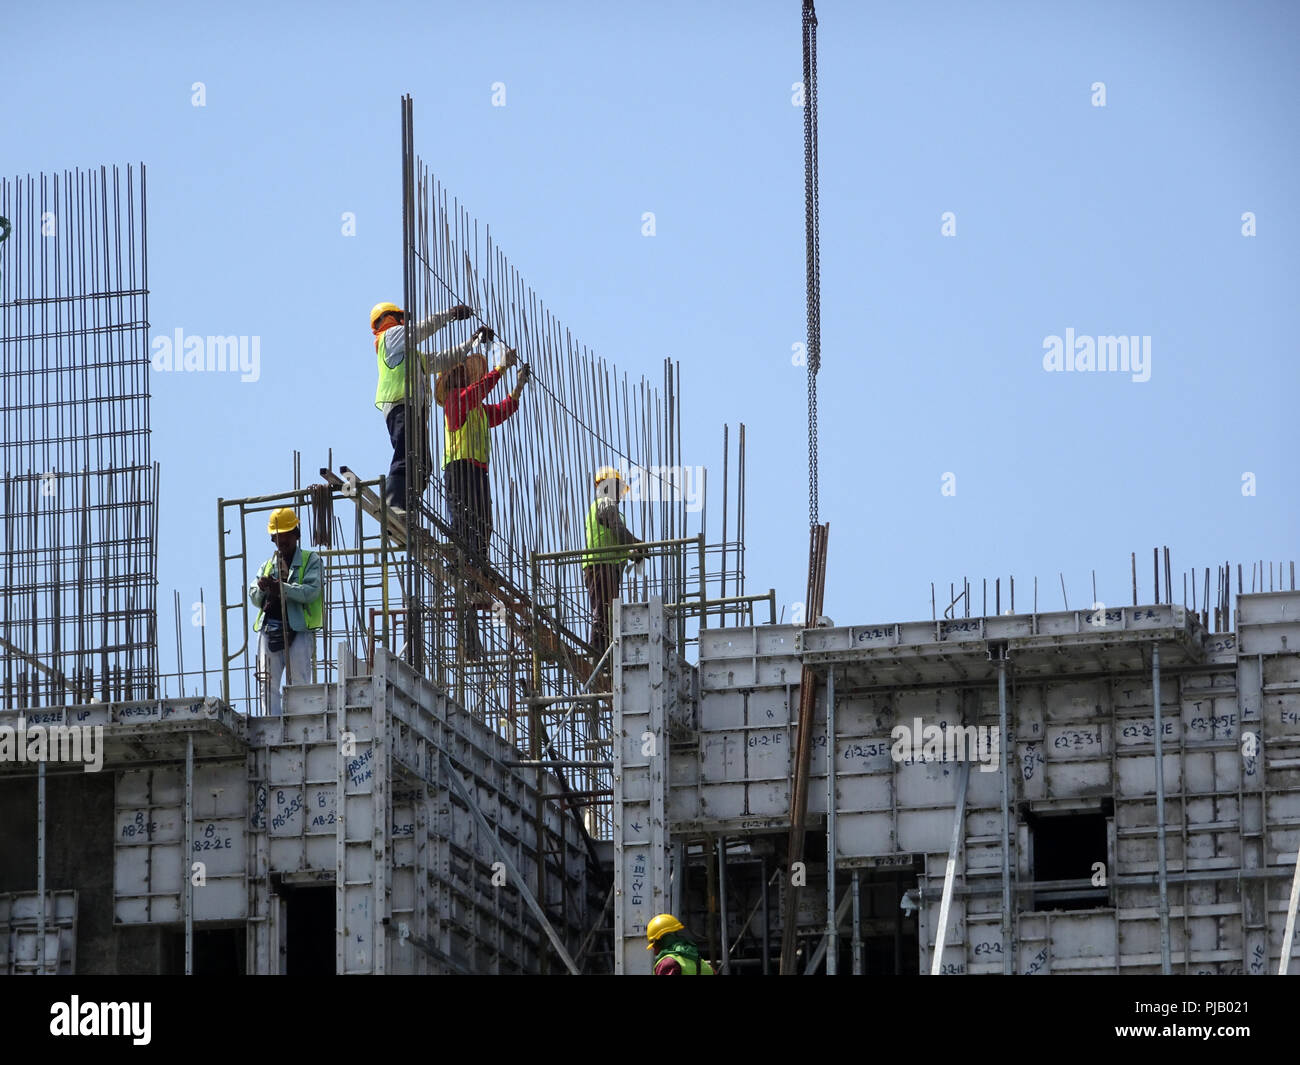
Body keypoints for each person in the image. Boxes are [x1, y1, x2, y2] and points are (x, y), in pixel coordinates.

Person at [435, 346, 531, 659]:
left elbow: (501, 411)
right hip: (460, 470)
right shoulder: (456, 402)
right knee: (464, 523)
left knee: (483, 524)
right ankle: (465, 563)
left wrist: (517, 387)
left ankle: (478, 569)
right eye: (459, 372)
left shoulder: (475, 407)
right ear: (452, 379)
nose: (465, 375)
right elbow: (478, 393)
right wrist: (500, 370)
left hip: (477, 470)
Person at [370, 300, 493, 514]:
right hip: (400, 405)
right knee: (406, 455)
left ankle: (408, 506)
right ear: (389, 318)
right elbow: (420, 330)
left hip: (413, 411)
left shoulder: (410, 355)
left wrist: (473, 341)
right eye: (401, 317)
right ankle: (394, 504)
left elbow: (443, 359)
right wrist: (450, 313)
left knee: (423, 465)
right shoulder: (389, 338)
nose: (405, 321)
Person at [248, 508, 323, 716]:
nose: (281, 542)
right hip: (269, 630)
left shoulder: (311, 561)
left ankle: (300, 726)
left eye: (285, 537)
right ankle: (271, 726)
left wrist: (281, 589)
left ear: (296, 535)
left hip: (298, 629)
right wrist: (264, 588)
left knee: (298, 683)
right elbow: (253, 595)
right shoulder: (267, 565)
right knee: (267, 683)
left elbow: (310, 592)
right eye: (277, 538)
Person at [582, 466, 644, 655]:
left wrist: (632, 551)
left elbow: (616, 537)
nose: (620, 495)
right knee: (603, 612)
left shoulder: (606, 505)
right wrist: (638, 544)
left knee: (608, 613)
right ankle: (598, 654)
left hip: (607, 567)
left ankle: (606, 654)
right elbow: (618, 531)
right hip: (601, 566)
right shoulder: (604, 503)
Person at [646, 913, 714, 975]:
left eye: (654, 946)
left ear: (663, 941)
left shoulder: (668, 963)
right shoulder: (701, 962)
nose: (654, 952)